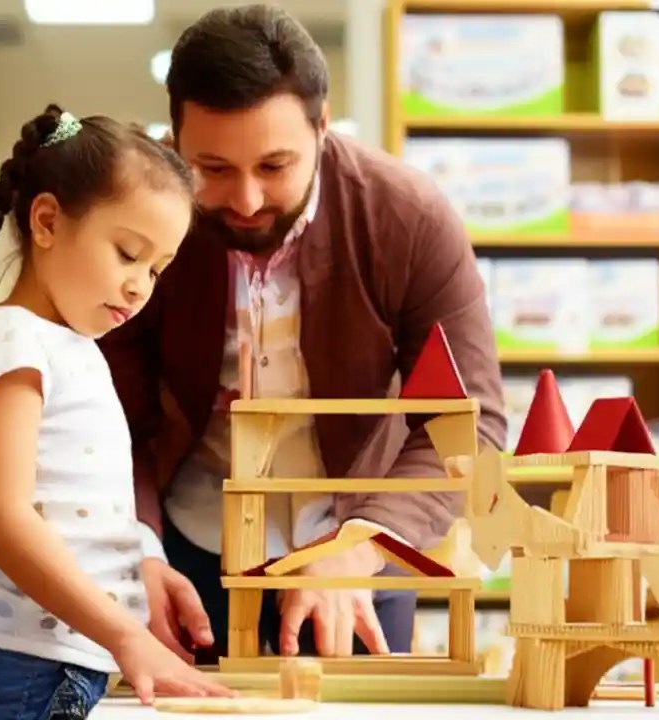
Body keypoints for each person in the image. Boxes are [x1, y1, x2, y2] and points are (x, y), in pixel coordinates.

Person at [98, 5, 507, 665]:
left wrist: (364, 543)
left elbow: (472, 423)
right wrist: (138, 547)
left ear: (322, 127)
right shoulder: (136, 222)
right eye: (215, 169)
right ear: (173, 143)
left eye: (275, 165)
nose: (249, 200)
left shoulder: (409, 218)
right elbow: (113, 417)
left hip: (365, 548)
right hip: (187, 547)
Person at [0, 104, 235, 720]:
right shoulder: (14, 338)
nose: (141, 285)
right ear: (48, 221)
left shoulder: (76, 350)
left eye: (156, 270)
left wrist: (145, 563)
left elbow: (81, 502)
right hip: (15, 674)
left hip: (50, 667)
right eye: (127, 253)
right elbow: (0, 517)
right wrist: (124, 634)